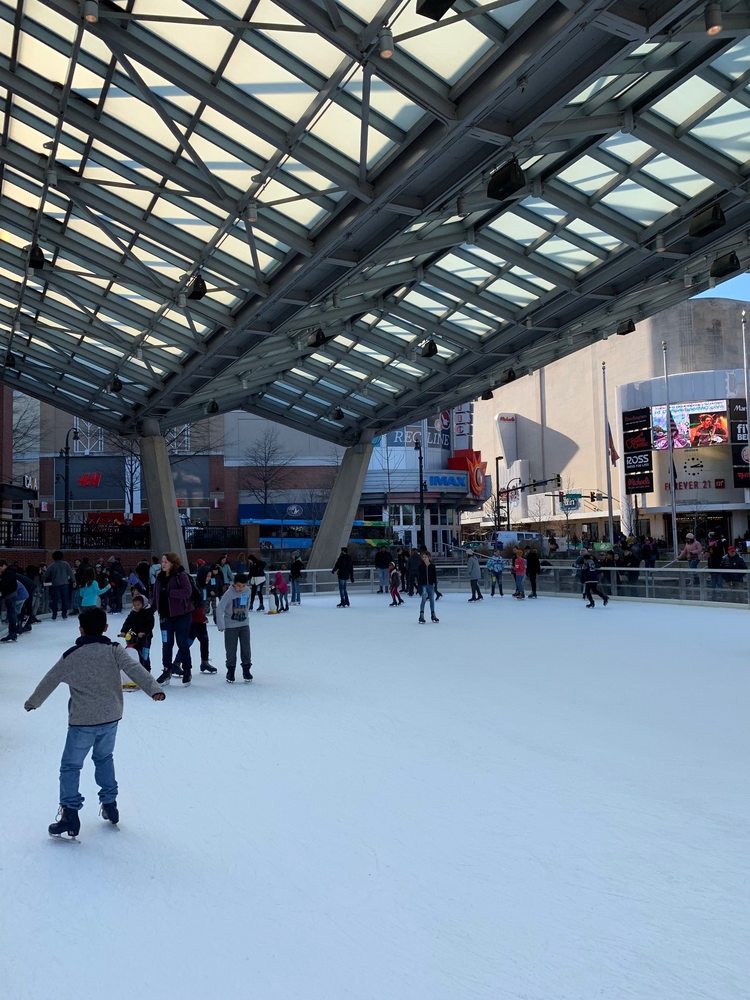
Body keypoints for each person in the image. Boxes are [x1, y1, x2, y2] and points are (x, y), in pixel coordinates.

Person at [24, 606, 165, 838]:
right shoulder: (114, 650)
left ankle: (70, 814)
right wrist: (154, 689)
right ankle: (110, 804)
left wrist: (33, 702)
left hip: (82, 721)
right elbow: (134, 668)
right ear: (106, 628)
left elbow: (50, 680)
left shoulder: (71, 656)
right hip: (111, 717)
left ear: (80, 629)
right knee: (104, 758)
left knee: (71, 766)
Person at [152, 551, 194, 686]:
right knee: (166, 644)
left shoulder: (180, 575)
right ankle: (166, 670)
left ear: (172, 563)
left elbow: (187, 592)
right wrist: (151, 610)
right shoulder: (159, 577)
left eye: (166, 562)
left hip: (182, 616)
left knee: (182, 643)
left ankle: (187, 670)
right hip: (165, 617)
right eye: (162, 561)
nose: (163, 564)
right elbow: (156, 596)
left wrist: (170, 593)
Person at [216, 572, 253, 683]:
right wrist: (221, 624)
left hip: (244, 625)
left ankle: (246, 670)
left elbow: (247, 605)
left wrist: (245, 617)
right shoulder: (228, 594)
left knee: (246, 649)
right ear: (233, 584)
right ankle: (231, 671)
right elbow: (219, 608)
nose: (240, 588)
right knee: (231, 650)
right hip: (231, 626)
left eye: (243, 586)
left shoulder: (248, 591)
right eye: (238, 586)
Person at [118, 593, 155, 670]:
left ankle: (147, 671)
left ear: (143, 604)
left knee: (144, 656)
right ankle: (135, 671)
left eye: (138, 605)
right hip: (134, 638)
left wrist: (144, 632)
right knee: (133, 654)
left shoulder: (148, 612)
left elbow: (150, 625)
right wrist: (123, 631)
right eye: (134, 605)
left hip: (145, 638)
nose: (136, 607)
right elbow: (127, 622)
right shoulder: (133, 612)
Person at [44, 550, 76, 621]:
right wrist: (74, 581)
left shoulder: (52, 565)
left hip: (55, 584)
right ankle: (64, 614)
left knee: (55, 600)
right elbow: (71, 573)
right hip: (65, 584)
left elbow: (45, 575)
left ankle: (54, 615)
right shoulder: (66, 564)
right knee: (64, 600)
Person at [0, 559, 20, 643]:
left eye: (0, 567)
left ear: (4, 565)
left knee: (12, 614)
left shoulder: (9, 573)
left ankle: (13, 633)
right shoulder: (9, 572)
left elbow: (3, 584)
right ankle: (13, 632)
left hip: (10, 596)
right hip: (9, 595)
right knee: (11, 614)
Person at [417, 551, 439, 624]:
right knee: (423, 599)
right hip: (423, 585)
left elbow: (434, 576)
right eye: (423, 557)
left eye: (425, 557)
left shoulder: (432, 566)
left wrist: (435, 584)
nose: (424, 558)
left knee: (432, 600)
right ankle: (421, 615)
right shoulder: (420, 566)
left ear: (429, 557)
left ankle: (433, 615)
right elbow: (419, 577)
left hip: (431, 585)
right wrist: (419, 587)